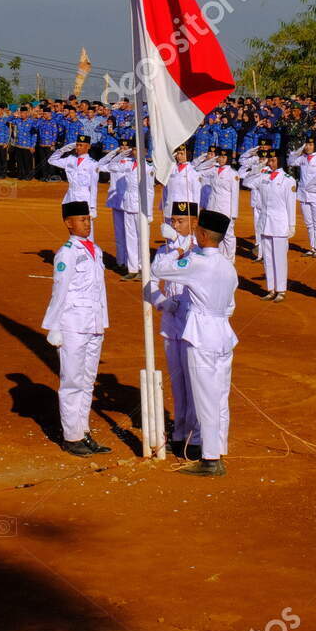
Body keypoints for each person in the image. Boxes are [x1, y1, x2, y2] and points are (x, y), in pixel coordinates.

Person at [150, 207, 239, 478]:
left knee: (205, 398)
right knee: (220, 396)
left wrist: (178, 248)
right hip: (223, 332)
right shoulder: (227, 264)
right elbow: (229, 305)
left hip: (202, 335)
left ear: (201, 234)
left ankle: (210, 459)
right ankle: (218, 447)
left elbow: (159, 269)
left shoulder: (198, 263)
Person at [40, 200, 112, 456]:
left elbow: (100, 290)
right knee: (72, 381)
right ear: (68, 223)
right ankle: (71, 436)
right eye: (81, 219)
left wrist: (103, 321)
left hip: (93, 323)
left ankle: (83, 431)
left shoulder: (96, 250)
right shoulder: (66, 253)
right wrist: (53, 325)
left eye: (88, 219)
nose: (86, 223)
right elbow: (59, 290)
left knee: (88, 381)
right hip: (72, 323)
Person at [147, 201, 200, 452]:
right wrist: (161, 303)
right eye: (172, 221)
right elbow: (150, 283)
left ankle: (197, 436)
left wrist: (179, 247)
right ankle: (179, 433)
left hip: (194, 324)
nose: (174, 225)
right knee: (178, 383)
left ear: (194, 223)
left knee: (195, 383)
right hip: (171, 323)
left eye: (180, 221)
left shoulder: (200, 250)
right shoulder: (163, 251)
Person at [241, 147, 296, 301]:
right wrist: (259, 167)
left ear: (280, 161)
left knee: (279, 258)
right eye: (269, 160)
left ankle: (281, 290)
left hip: (279, 224)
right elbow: (246, 181)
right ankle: (271, 288)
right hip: (265, 223)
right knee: (268, 258)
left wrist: (291, 225)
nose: (270, 163)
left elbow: (290, 205)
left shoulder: (287, 180)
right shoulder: (264, 177)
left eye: (273, 160)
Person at [98, 141, 152, 280]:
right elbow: (111, 166)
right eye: (133, 149)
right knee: (130, 238)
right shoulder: (128, 164)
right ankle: (132, 269)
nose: (135, 152)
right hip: (127, 205)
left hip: (141, 207)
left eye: (138, 149)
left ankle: (142, 268)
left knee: (142, 239)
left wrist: (150, 213)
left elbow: (150, 191)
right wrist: (120, 154)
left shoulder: (148, 168)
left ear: (145, 151)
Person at [290, 140, 316, 257]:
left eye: (310, 145)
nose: (308, 147)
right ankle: (313, 247)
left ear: (315, 146)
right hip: (303, 194)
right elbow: (291, 160)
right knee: (309, 223)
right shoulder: (302, 158)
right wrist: (300, 148)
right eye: (306, 144)